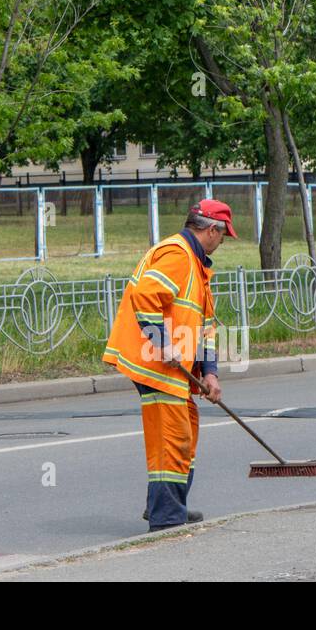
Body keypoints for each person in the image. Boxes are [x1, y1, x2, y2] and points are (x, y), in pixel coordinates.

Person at [102, 198, 236, 530]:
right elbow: (144, 297)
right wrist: (162, 343)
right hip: (155, 364)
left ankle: (167, 504)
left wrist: (210, 373)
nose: (222, 242)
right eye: (223, 235)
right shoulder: (177, 255)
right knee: (172, 437)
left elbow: (204, 327)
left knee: (185, 429)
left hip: (172, 368)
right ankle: (166, 517)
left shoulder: (197, 265)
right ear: (211, 230)